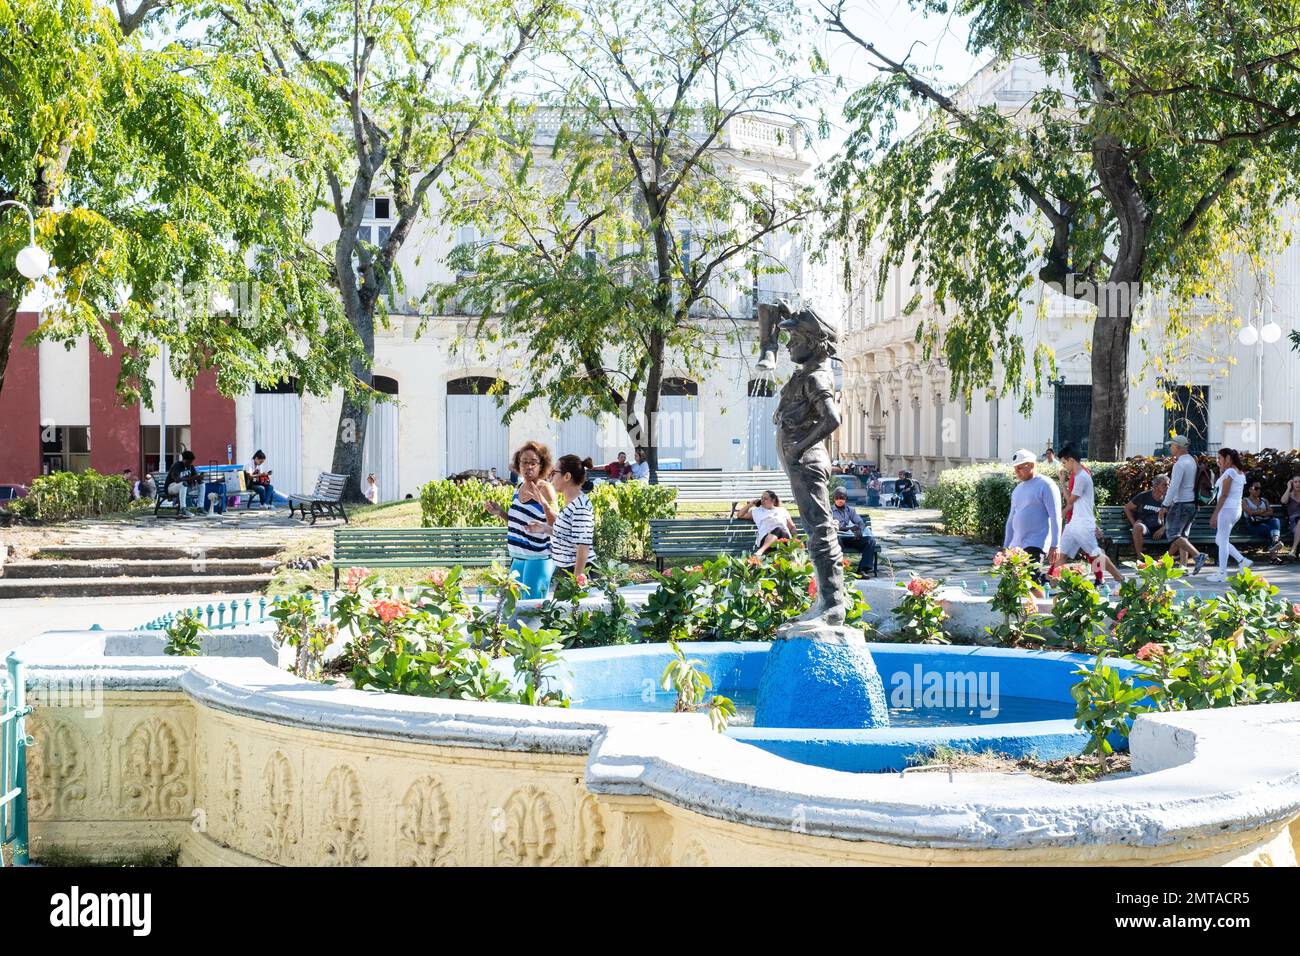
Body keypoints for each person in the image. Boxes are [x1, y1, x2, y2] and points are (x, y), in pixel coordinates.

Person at [485, 441, 557, 598]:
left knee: (531, 613)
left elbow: (556, 525)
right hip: (518, 558)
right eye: (524, 462)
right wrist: (500, 512)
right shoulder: (519, 488)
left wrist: (543, 504)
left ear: (541, 465)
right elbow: (517, 522)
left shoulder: (545, 488)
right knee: (514, 609)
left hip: (538, 559)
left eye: (533, 463)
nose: (528, 467)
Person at [1056, 445, 1122, 583]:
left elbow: (1070, 501)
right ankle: (1049, 582)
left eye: (1064, 462)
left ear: (1072, 460)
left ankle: (1120, 578)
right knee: (1062, 555)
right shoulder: (1078, 475)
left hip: (1083, 524)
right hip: (1074, 522)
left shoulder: (1082, 477)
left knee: (1096, 554)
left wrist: (1062, 484)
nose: (1064, 466)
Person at [535, 455, 595, 587]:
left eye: (554, 472)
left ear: (567, 477)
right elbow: (568, 537)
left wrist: (576, 580)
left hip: (577, 572)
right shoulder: (572, 503)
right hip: (568, 570)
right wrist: (545, 528)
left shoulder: (580, 506)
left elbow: (583, 546)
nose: (551, 477)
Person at [1003, 449, 1061, 579]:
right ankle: (1048, 585)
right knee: (1016, 582)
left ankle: (1045, 592)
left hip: (1036, 542)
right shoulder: (1017, 489)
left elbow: (1055, 516)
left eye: (1019, 468)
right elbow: (1011, 519)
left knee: (1031, 581)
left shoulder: (1046, 485)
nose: (1016, 472)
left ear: (1031, 465)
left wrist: (1055, 545)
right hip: (1017, 544)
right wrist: (1006, 547)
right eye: (1015, 468)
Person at [1159, 436, 1208, 575]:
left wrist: (1165, 505)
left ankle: (1198, 556)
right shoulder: (1192, 460)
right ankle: (1184, 566)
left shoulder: (1180, 464)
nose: (1170, 448)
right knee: (1183, 537)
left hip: (1181, 504)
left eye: (1172, 445)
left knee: (1174, 535)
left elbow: (1174, 486)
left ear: (1178, 447)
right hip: (1192, 504)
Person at [1207, 447, 1251, 582]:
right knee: (1220, 540)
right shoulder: (1238, 472)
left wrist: (1215, 514)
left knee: (1223, 540)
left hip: (1227, 509)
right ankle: (1242, 560)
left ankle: (1222, 573)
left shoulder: (1231, 472)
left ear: (1228, 458)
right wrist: (1222, 471)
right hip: (1234, 510)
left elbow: (1224, 495)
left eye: (1220, 458)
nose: (1218, 461)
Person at [737, 490, 800, 556]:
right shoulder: (756, 511)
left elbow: (792, 527)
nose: (762, 500)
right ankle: (761, 550)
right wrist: (750, 504)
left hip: (784, 541)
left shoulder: (782, 510)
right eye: (761, 498)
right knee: (778, 530)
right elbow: (740, 515)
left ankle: (760, 551)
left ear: (773, 500)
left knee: (779, 530)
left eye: (765, 499)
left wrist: (796, 542)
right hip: (766, 541)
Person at [831, 487, 877, 575]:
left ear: (846, 498)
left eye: (842, 497)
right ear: (834, 498)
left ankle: (862, 570)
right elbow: (830, 527)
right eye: (837, 498)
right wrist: (848, 528)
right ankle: (837, 570)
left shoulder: (850, 510)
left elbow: (860, 522)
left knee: (870, 541)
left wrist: (859, 530)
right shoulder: (830, 511)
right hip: (838, 538)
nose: (839, 500)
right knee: (837, 540)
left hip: (850, 538)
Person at [1123, 475, 1170, 558]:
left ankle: (1166, 559)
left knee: (1179, 534)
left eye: (1169, 484)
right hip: (1146, 528)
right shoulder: (1143, 496)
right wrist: (1134, 524)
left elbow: (1175, 517)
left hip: (1163, 529)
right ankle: (1140, 558)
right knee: (1137, 527)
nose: (1168, 487)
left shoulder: (1169, 498)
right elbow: (1127, 508)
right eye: (1165, 485)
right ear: (1156, 486)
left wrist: (1163, 528)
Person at [1242, 480, 1283, 553]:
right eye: (1256, 488)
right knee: (1270, 529)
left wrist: (1258, 513)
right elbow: (1250, 513)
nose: (1259, 490)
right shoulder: (1245, 500)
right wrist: (1263, 511)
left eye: (1260, 488)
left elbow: (1271, 512)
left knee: (1276, 520)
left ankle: (1275, 542)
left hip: (1266, 522)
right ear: (1250, 489)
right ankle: (1273, 554)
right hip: (1253, 525)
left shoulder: (1264, 500)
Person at [165, 450, 202, 518]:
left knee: (202, 484)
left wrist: (199, 478)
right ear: (184, 460)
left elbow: (194, 477)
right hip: (172, 487)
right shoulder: (177, 466)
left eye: (191, 462)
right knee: (183, 483)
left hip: (185, 487)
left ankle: (200, 507)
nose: (190, 463)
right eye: (188, 462)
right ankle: (183, 509)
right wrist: (191, 478)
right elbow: (177, 480)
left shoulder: (191, 467)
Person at [1283, 476, 1300, 560]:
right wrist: (1288, 488)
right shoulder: (1289, 495)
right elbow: (1283, 501)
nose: (1298, 484)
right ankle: (1293, 550)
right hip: (1294, 523)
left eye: (1299, 482)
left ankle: (1293, 549)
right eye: (1295, 482)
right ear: (1292, 483)